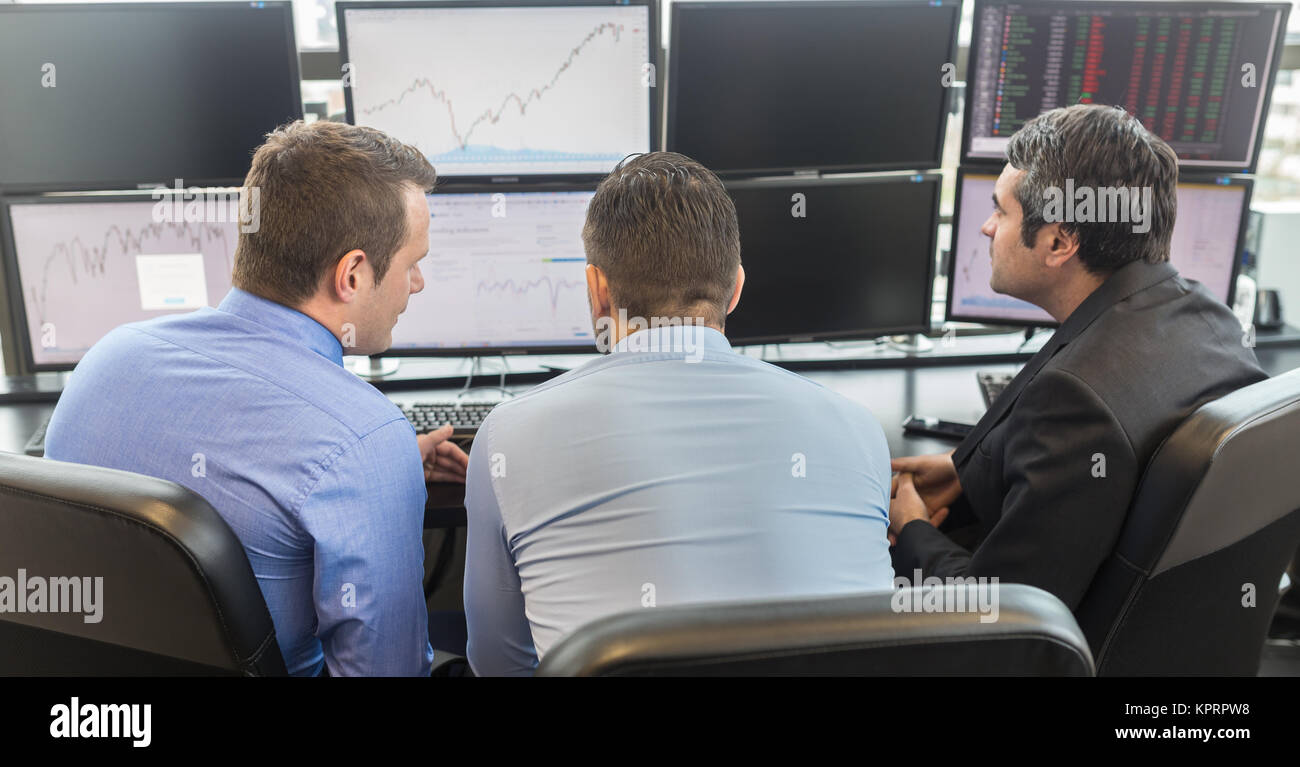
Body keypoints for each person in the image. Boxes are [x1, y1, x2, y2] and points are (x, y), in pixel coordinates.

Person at [45, 120, 468, 676]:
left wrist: (371, 478)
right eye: (413, 263)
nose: (416, 284)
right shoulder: (363, 439)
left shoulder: (106, 360)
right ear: (353, 275)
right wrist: (371, 468)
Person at [463, 152, 895, 676]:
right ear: (735, 288)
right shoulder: (857, 427)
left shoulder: (507, 436)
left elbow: (497, 662)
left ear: (597, 291)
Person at [889, 104, 1267, 610]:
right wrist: (970, 470)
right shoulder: (1208, 319)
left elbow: (999, 619)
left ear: (1060, 241)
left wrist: (910, 530)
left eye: (1000, 210)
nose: (986, 227)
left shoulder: (1073, 398)